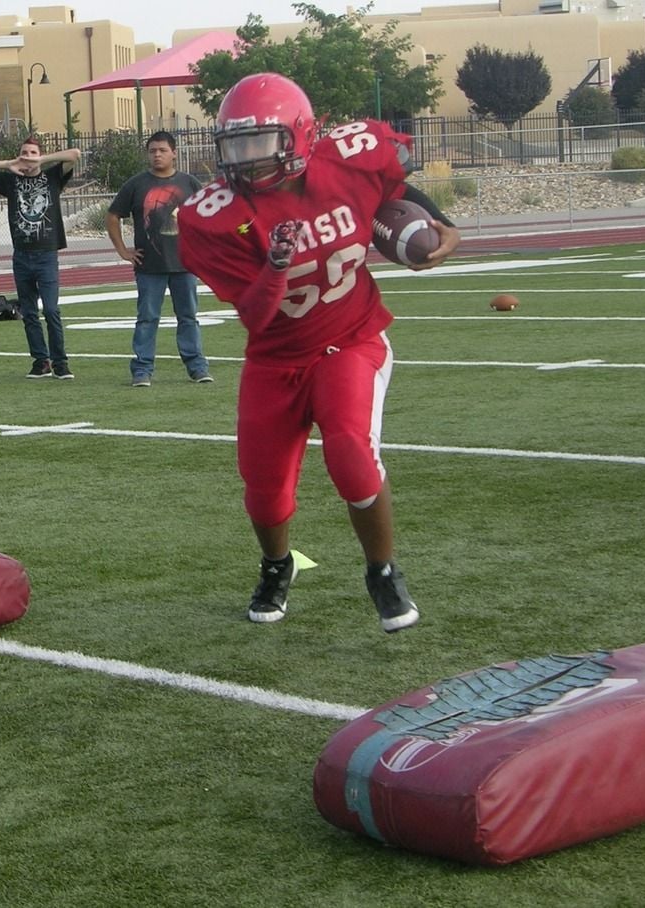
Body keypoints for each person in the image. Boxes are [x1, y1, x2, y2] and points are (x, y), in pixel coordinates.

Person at [178, 73, 461, 632]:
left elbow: (393, 193)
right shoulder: (212, 215)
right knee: (264, 492)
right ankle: (277, 566)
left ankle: (382, 571)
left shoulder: (348, 161)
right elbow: (256, 317)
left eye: (262, 144)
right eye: (237, 147)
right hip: (275, 358)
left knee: (351, 454)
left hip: (350, 337)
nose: (248, 161)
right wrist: (277, 266)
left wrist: (442, 227)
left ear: (302, 137)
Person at [106, 131, 213, 387]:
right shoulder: (136, 184)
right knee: (147, 318)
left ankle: (197, 367)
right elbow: (112, 216)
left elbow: (206, 217)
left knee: (188, 316)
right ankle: (142, 370)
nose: (157, 155)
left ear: (174, 152)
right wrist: (122, 250)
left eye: (162, 150)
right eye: (152, 150)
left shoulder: (189, 183)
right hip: (149, 266)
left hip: (184, 265)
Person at [0, 137, 81, 379]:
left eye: (32, 152)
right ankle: (41, 361)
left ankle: (60, 362)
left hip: (46, 254)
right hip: (21, 256)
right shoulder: (11, 180)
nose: (28, 156)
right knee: (29, 312)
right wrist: (11, 162)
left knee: (51, 310)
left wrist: (41, 159)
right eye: (24, 152)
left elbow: (74, 154)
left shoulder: (52, 176)